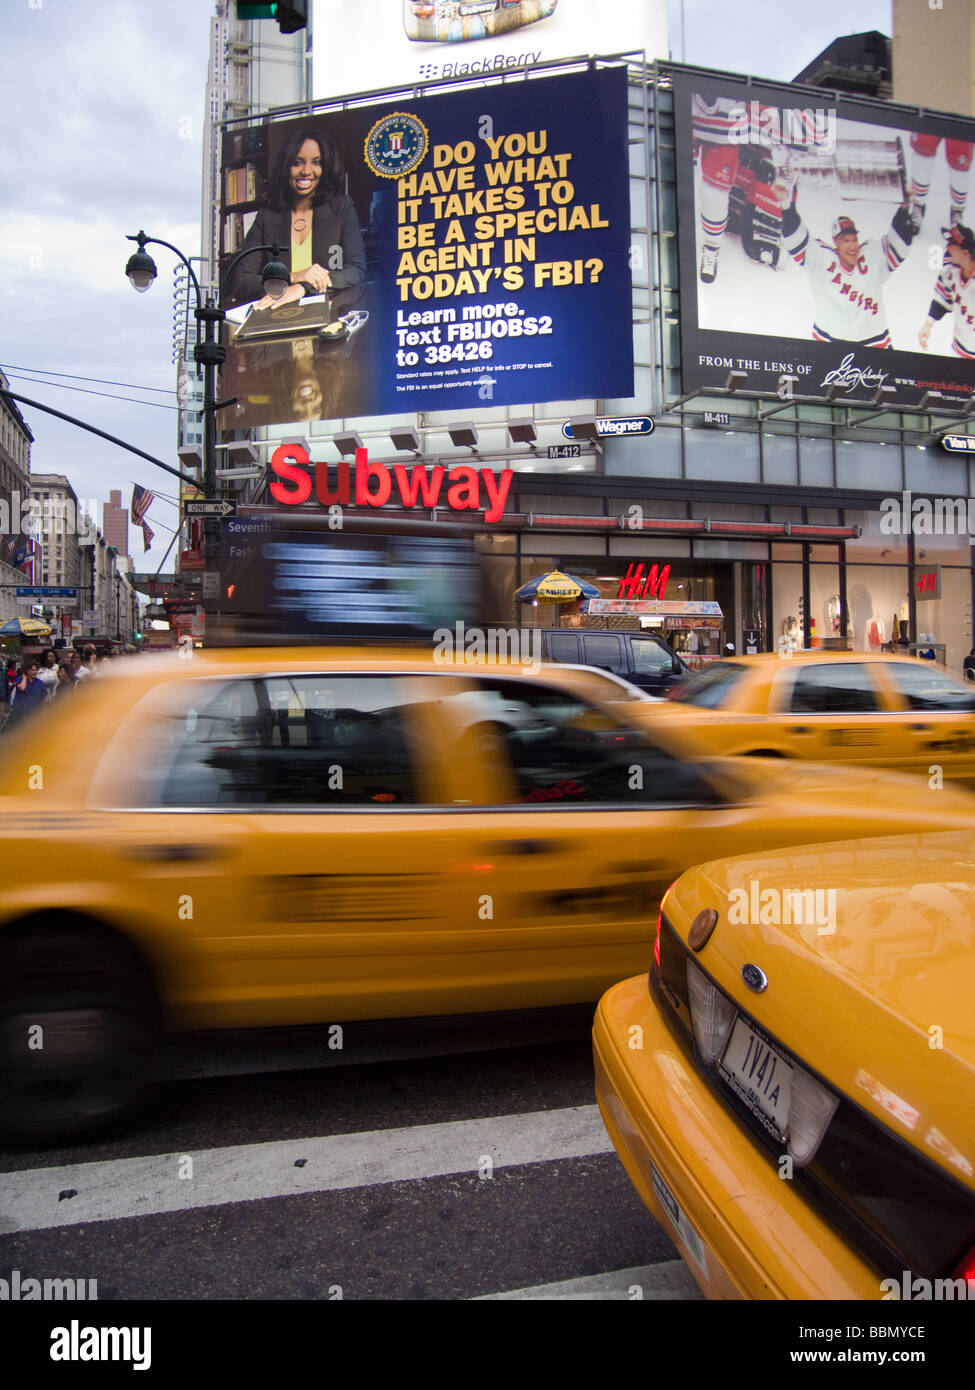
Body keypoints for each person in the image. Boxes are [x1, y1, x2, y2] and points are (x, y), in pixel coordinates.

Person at [226, 127, 367, 311]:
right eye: (297, 162)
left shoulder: (341, 208)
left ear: (325, 167)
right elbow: (240, 281)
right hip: (277, 317)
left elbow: (356, 270)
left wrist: (303, 288)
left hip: (328, 314)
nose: (306, 171)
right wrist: (293, 277)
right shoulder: (267, 217)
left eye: (316, 162)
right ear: (286, 167)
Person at [781, 198, 919, 348]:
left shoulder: (872, 256)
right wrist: (787, 207)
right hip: (828, 341)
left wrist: (904, 210)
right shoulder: (821, 259)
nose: (853, 246)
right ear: (836, 242)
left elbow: (899, 244)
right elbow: (795, 239)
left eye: (854, 240)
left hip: (874, 342)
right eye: (846, 241)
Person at [918, 223, 975, 359]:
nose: (947, 247)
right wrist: (928, 325)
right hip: (959, 349)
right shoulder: (950, 270)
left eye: (952, 244)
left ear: (965, 252)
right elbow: (943, 299)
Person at [7, 661, 47, 727]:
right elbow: (22, 688)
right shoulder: (20, 679)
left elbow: (43, 698)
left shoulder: (40, 683)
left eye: (36, 670)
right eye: (32, 670)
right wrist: (25, 678)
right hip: (18, 713)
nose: (35, 672)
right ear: (27, 670)